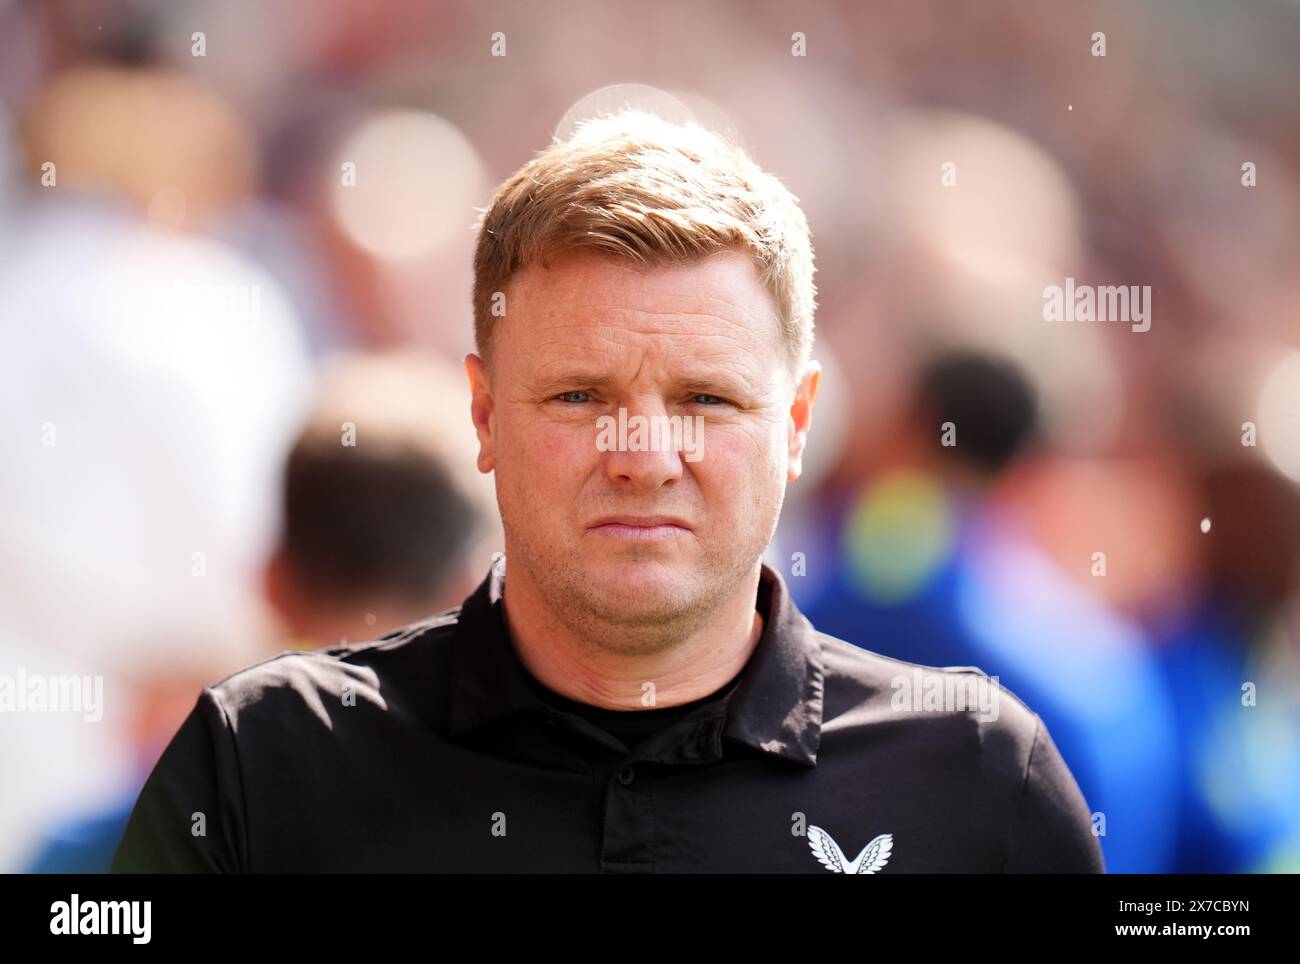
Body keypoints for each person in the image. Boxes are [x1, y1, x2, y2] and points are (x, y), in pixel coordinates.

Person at [111, 108, 1103, 873]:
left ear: (795, 426)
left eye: (706, 398)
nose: (643, 453)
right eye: (581, 395)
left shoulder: (980, 781)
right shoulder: (262, 762)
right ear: (486, 414)